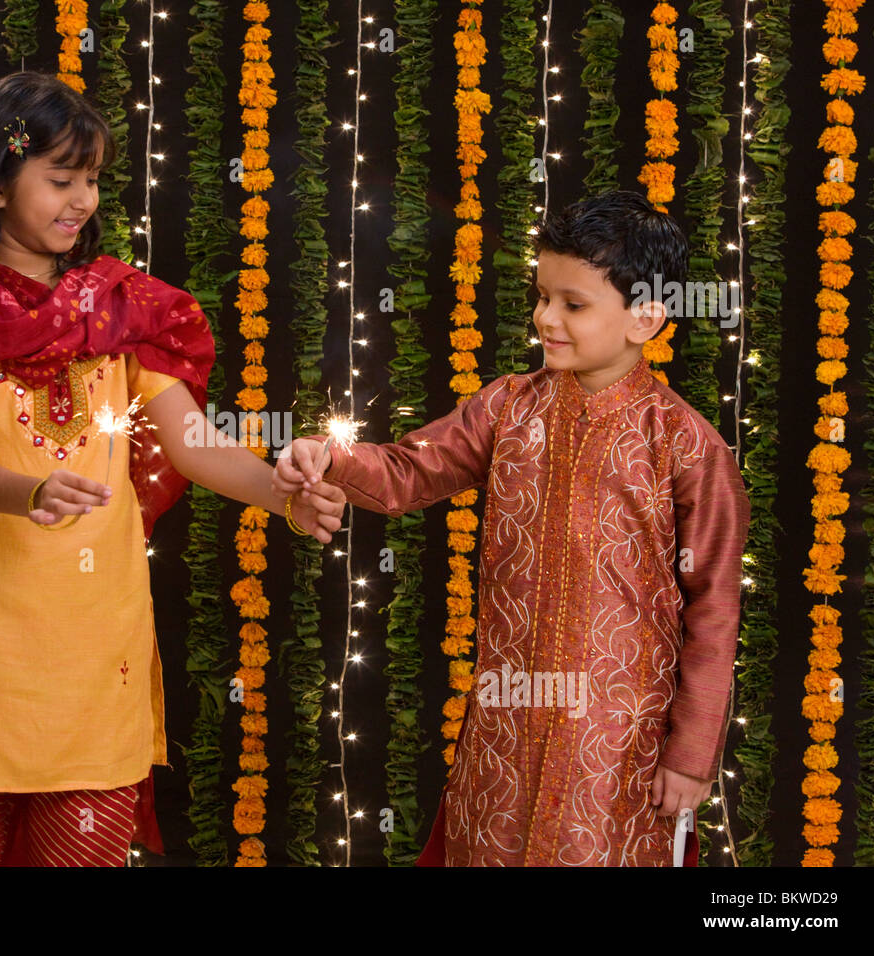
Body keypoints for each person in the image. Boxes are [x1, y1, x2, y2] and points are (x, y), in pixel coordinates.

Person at [0, 71, 345, 867]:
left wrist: (280, 491)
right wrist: (29, 489)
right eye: (60, 179)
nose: (82, 200)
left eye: (93, 180)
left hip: (94, 651)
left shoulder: (123, 308)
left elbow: (192, 444)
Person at [274, 191, 751, 866]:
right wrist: (330, 454)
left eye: (572, 304)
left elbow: (714, 609)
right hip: (504, 727)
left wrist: (692, 754)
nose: (544, 318)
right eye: (542, 296)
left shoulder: (685, 446)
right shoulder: (507, 407)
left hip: (617, 745)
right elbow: (411, 472)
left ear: (645, 316)